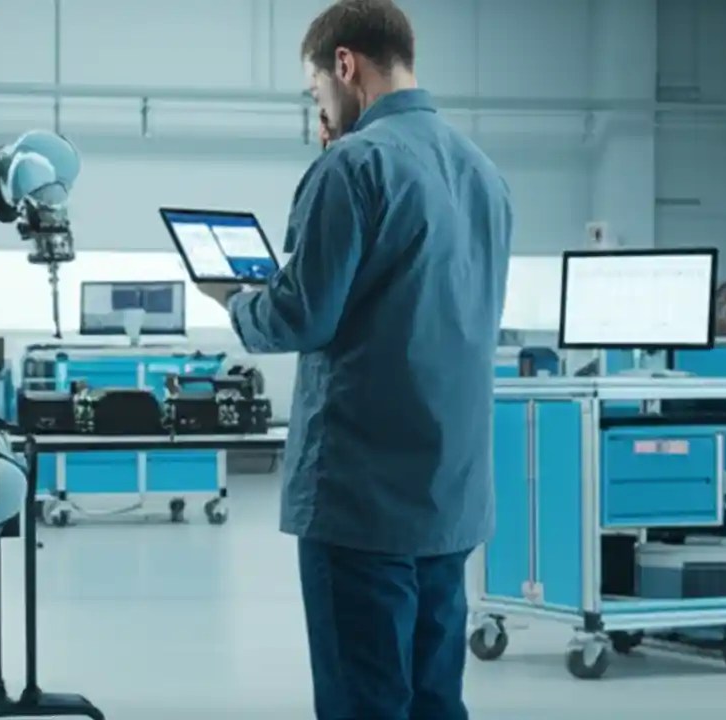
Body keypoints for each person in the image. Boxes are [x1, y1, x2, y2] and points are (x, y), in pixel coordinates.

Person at [197, 1, 512, 718]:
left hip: (362, 498)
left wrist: (236, 300)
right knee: (435, 698)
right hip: (449, 495)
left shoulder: (354, 164)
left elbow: (301, 315)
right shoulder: (482, 171)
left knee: (363, 701)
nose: (321, 110)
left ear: (345, 65)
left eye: (316, 93)